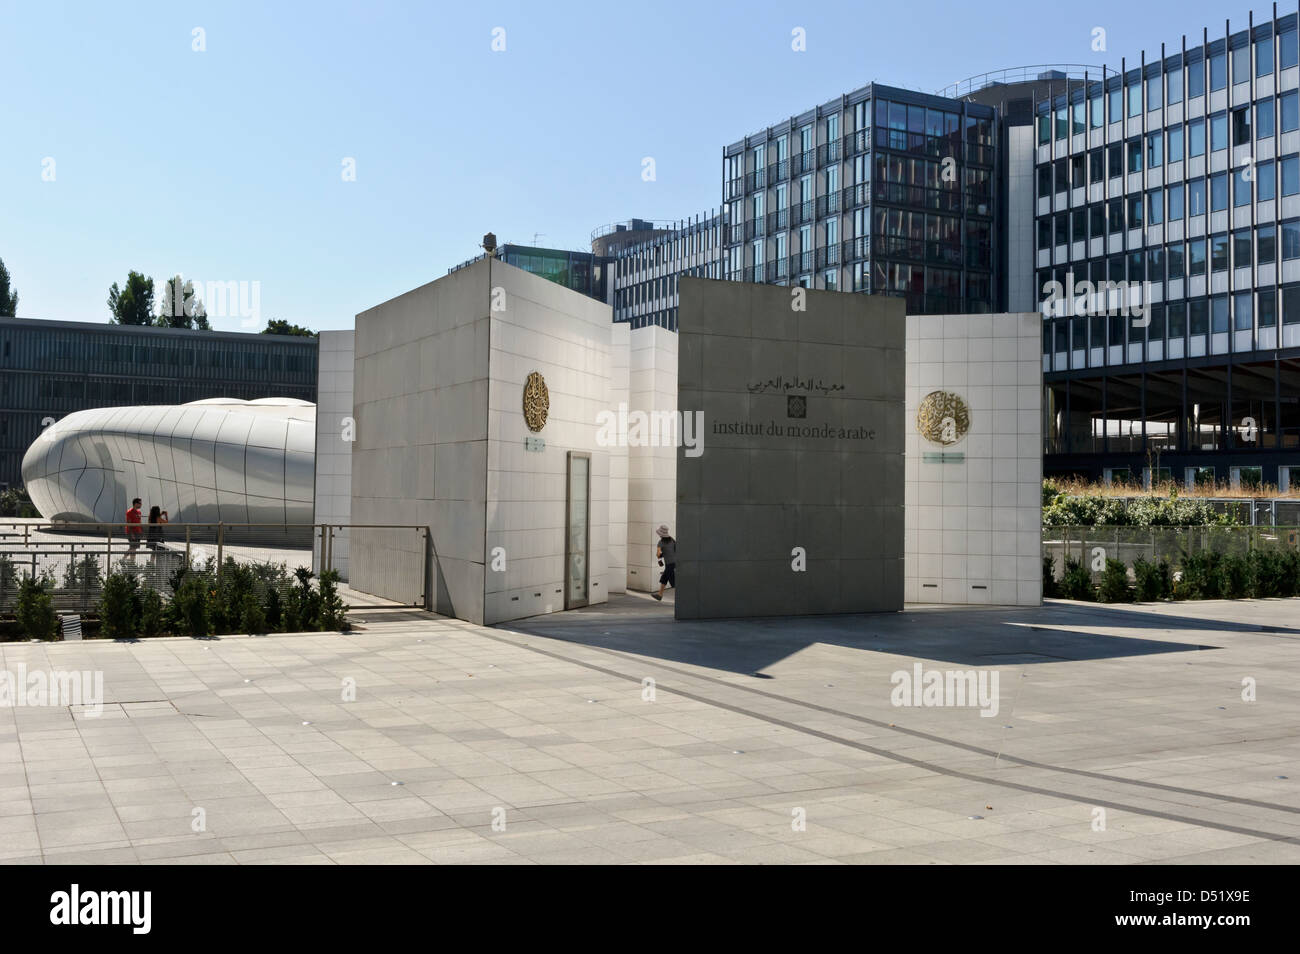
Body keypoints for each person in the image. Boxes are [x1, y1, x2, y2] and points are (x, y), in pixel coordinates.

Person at [652, 524, 675, 601]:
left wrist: (659, 556)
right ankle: (660, 595)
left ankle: (682, 600)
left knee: (674, 582)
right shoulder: (672, 539)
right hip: (676, 562)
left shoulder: (661, 542)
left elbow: (658, 554)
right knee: (664, 579)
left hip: (669, 564)